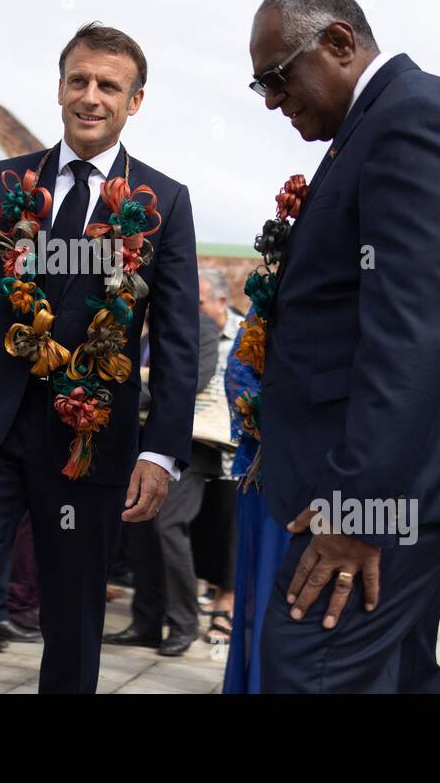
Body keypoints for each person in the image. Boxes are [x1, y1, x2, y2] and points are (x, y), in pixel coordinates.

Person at [247, 0, 440, 694]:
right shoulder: (373, 128)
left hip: (389, 484)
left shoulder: (412, 119)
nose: (275, 102)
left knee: (308, 671)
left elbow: (414, 328)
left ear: (339, 42)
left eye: (277, 79)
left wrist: (357, 503)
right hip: (397, 476)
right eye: (262, 90)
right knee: (390, 675)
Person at [0, 22, 200, 693]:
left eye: (109, 85)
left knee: (72, 620)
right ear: (61, 87)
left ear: (136, 101)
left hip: (89, 445)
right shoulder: (3, 183)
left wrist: (161, 454)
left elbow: (180, 342)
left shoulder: (165, 203)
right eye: (79, 80)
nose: (91, 96)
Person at [105, 309, 219, 657]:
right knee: (139, 529)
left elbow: (190, 380)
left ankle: (183, 623)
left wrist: (123, 394)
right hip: (141, 447)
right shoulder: (140, 332)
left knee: (169, 528)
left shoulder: (200, 327)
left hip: (188, 449)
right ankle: (146, 623)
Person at [221, 305, 293, 694]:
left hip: (339, 480)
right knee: (265, 590)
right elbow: (239, 372)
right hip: (269, 473)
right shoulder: (273, 291)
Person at [191, 267, 242, 644]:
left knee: (229, 531)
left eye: (201, 302)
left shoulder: (246, 335)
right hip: (196, 447)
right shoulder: (192, 334)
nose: (195, 308)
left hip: (233, 451)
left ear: (222, 302)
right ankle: (205, 593)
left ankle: (227, 601)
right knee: (200, 526)